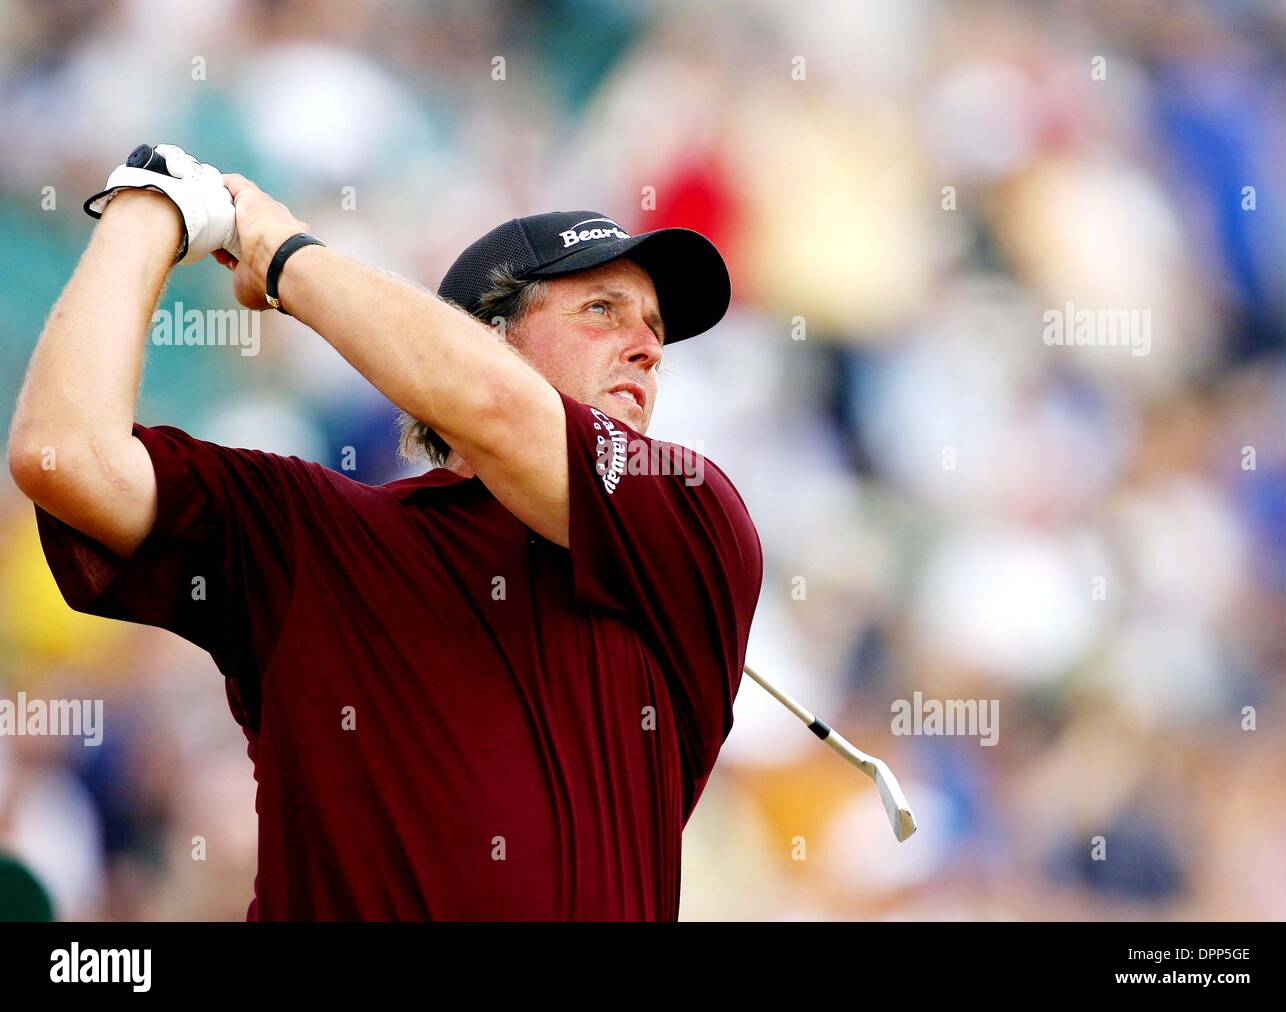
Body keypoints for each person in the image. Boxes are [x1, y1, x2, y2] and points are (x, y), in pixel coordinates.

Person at [7, 145, 763, 920]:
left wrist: (283, 255)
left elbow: (494, 408)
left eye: (655, 331)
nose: (647, 346)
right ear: (488, 336)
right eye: (601, 310)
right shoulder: (311, 531)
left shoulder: (690, 515)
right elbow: (61, 456)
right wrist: (146, 206)